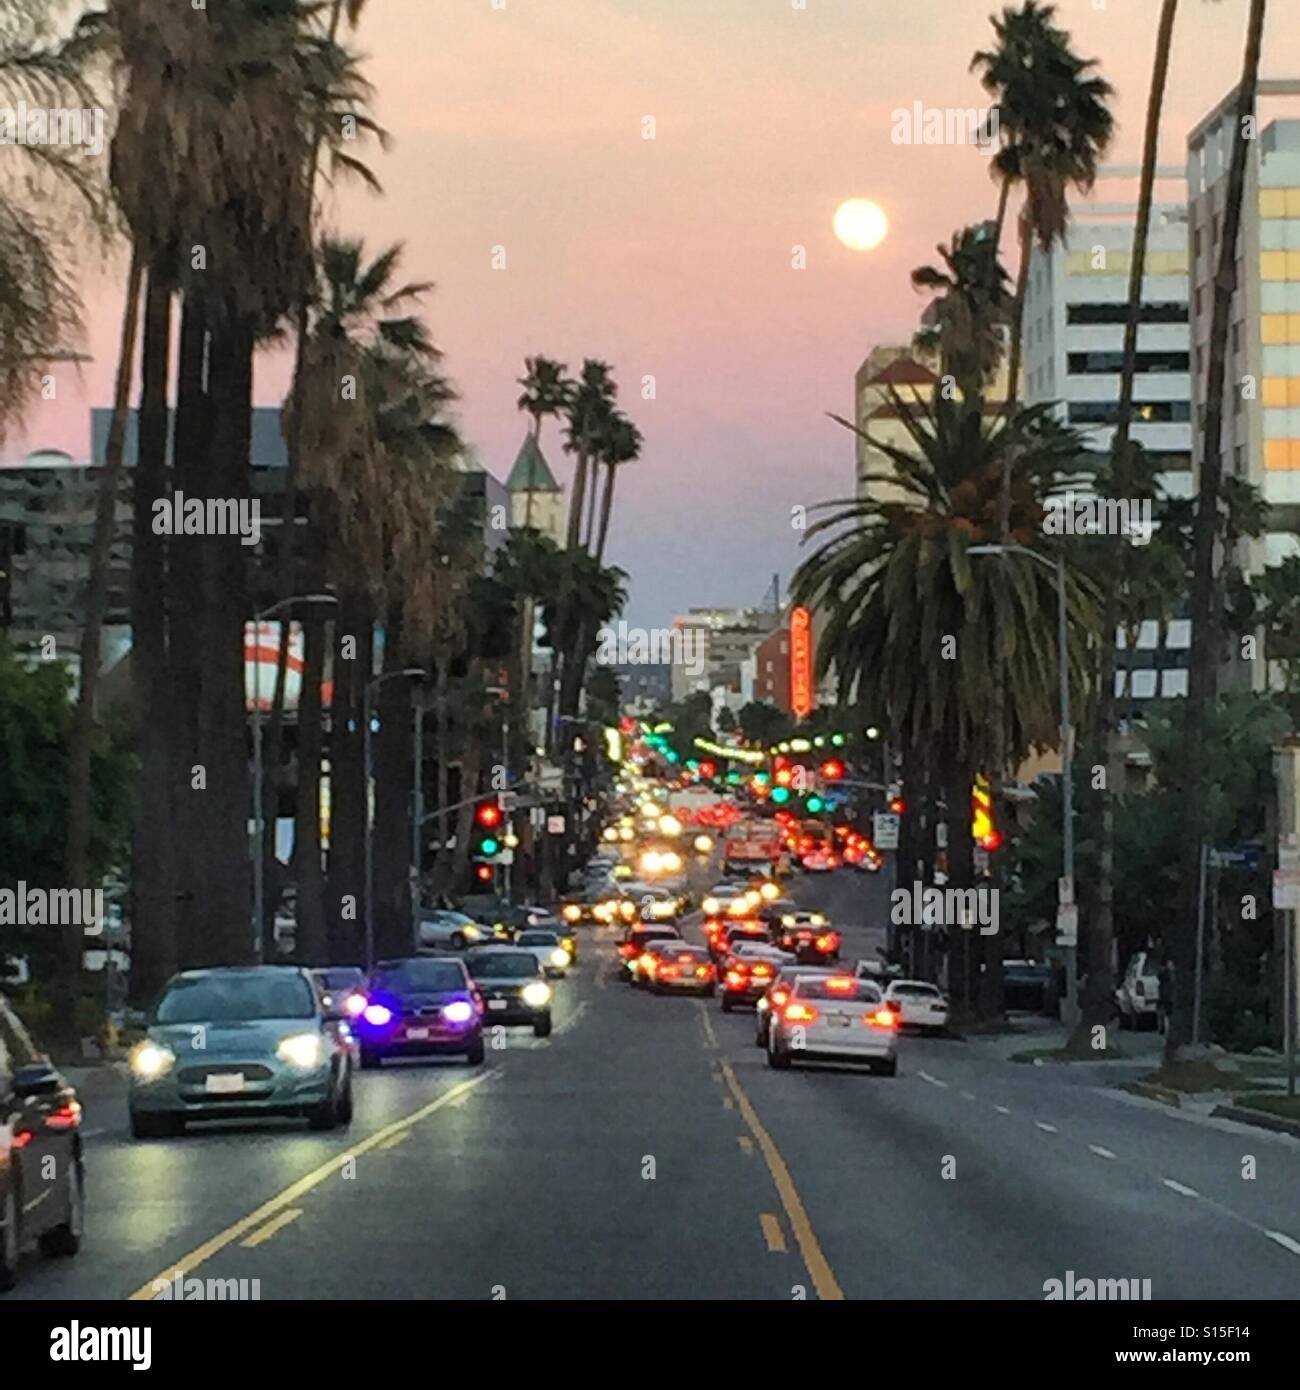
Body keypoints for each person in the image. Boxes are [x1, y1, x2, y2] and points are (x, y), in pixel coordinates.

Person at [1156, 957, 1174, 1035]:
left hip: (1166, 996)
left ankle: (1164, 1029)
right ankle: (1164, 1029)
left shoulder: (1167, 974)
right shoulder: (1166, 974)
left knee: (1165, 1014)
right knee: (1165, 1014)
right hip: (1166, 996)